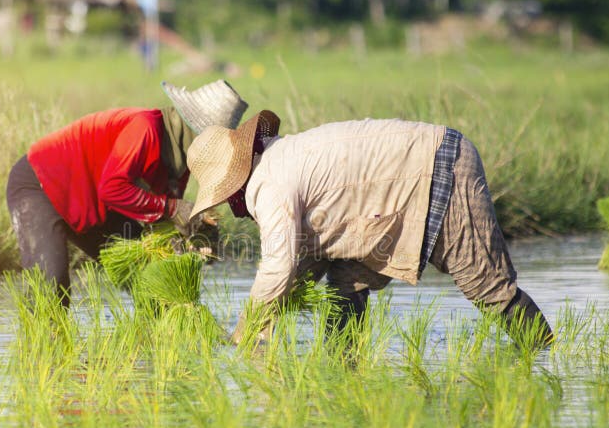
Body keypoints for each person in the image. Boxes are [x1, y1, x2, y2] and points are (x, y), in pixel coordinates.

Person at [186, 111, 554, 348]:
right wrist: (267, 320)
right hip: (392, 193)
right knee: (346, 281)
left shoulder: (269, 184)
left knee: (487, 287)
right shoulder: (278, 156)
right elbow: (307, 261)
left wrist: (244, 332)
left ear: (234, 181)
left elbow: (277, 268)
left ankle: (546, 358)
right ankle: (341, 372)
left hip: (438, 165)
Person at [5, 80, 248, 307]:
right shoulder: (145, 129)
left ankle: (155, 341)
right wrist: (174, 209)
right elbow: (113, 188)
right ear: (192, 130)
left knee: (152, 277)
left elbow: (161, 219)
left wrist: (194, 237)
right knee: (51, 289)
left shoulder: (180, 160)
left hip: (92, 203)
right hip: (42, 184)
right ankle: (45, 347)